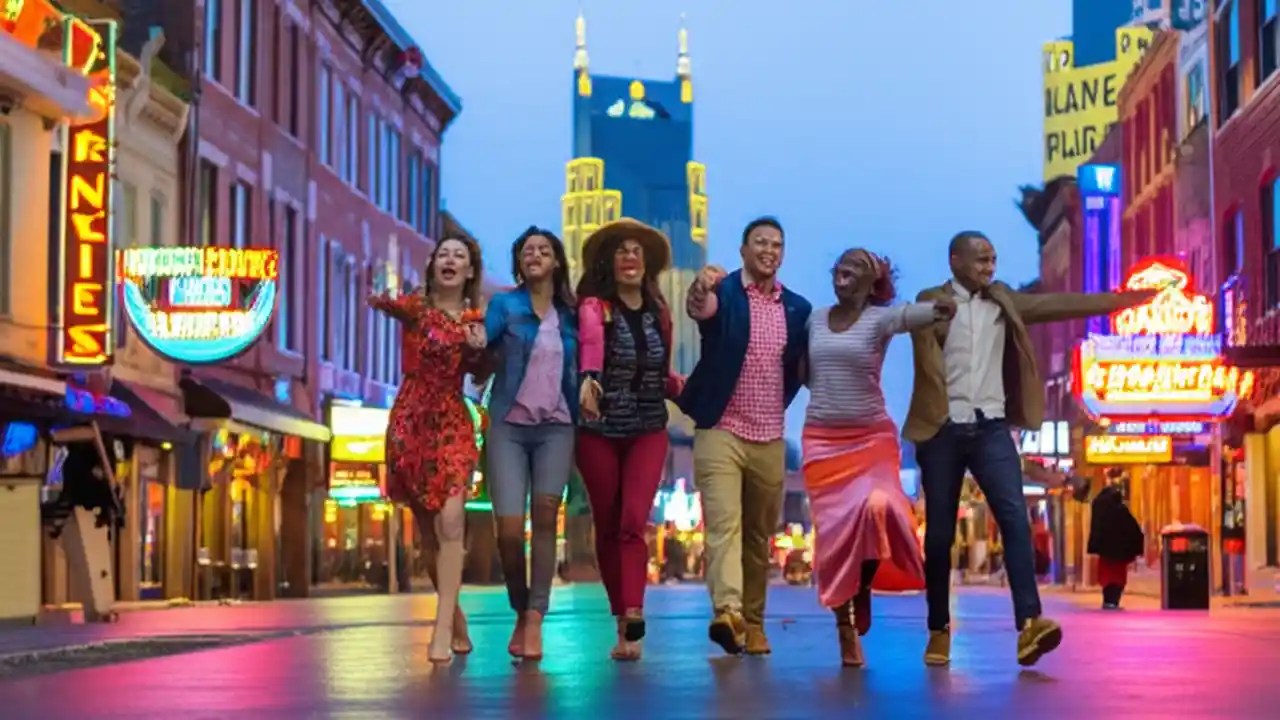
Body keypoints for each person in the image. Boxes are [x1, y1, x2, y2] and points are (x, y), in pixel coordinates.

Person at [904, 230, 1156, 668]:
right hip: (943, 429)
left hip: (991, 428)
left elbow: (1061, 304)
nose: (989, 267)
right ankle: (938, 629)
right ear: (955, 261)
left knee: (1015, 519)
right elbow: (913, 320)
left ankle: (1030, 623)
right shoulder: (933, 300)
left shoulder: (1004, 301)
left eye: (993, 259)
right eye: (981, 259)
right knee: (940, 534)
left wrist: (1124, 302)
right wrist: (928, 312)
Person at [802, 248, 954, 667]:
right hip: (822, 443)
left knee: (880, 506)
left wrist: (938, 309)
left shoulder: (879, 319)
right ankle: (844, 629)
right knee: (833, 537)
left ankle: (863, 582)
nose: (844, 273)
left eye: (856, 269)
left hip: (871, 439)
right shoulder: (815, 319)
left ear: (873, 282)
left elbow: (907, 317)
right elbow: (801, 369)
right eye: (841, 267)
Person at [678, 216, 812, 656]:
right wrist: (701, 286)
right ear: (743, 250)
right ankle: (728, 612)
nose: (768, 250)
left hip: (769, 435)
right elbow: (700, 309)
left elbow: (804, 366)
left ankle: (753, 622)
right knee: (723, 526)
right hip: (721, 428)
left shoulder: (797, 309)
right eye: (760, 242)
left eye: (776, 244)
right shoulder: (726, 293)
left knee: (758, 536)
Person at [368, 236, 488, 665]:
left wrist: (479, 350)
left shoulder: (476, 322)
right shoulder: (415, 308)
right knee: (428, 533)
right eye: (443, 254)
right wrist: (377, 280)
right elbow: (376, 295)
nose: (450, 260)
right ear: (434, 265)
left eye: (460, 256)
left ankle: (440, 630)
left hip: (452, 421)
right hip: (410, 422)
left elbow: (483, 372)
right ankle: (455, 616)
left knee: (451, 521)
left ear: (469, 271)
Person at [575, 218, 683, 662]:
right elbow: (589, 347)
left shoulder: (660, 312)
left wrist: (693, 391)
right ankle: (620, 619)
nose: (630, 257)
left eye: (637, 250)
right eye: (621, 250)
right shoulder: (594, 307)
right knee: (607, 523)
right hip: (598, 429)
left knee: (632, 520)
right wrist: (589, 380)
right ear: (610, 261)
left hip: (648, 426)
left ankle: (634, 614)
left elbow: (663, 372)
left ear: (647, 262)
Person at [483, 226, 579, 661]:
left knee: (544, 517)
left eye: (543, 250)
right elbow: (485, 336)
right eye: (527, 251)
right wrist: (474, 337)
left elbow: (589, 361)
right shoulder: (505, 305)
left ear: (556, 260)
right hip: (508, 424)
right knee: (507, 529)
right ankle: (519, 607)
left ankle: (536, 617)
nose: (535, 255)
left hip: (557, 425)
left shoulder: (572, 314)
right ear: (519, 262)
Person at [1089, 474, 1143, 610]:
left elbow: (1096, 530)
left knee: (1107, 576)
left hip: (1105, 552)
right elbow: (1132, 529)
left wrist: (1095, 546)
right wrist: (1136, 546)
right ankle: (1114, 601)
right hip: (1120, 552)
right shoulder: (1121, 510)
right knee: (1118, 577)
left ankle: (1108, 600)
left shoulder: (1099, 511)